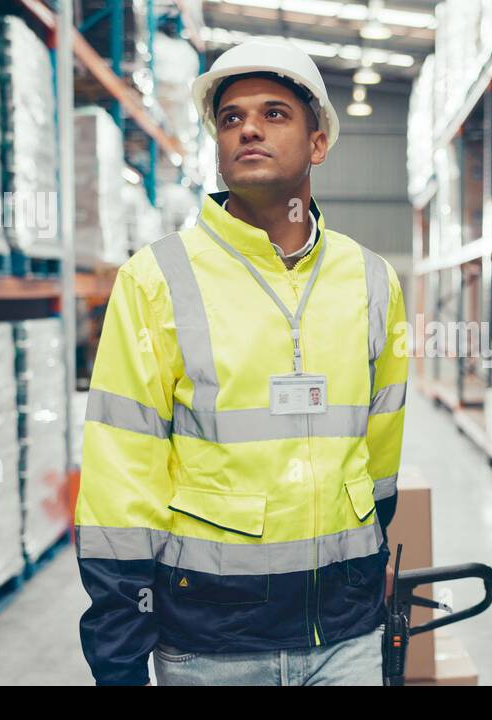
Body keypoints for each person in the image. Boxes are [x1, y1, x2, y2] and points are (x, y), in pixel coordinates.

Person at [74, 38, 408, 686]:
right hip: (210, 646)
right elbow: (121, 479)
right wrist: (118, 657)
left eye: (274, 113)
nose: (249, 127)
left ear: (318, 142)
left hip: (345, 637)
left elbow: (381, 453)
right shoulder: (156, 281)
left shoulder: (371, 282)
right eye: (231, 118)